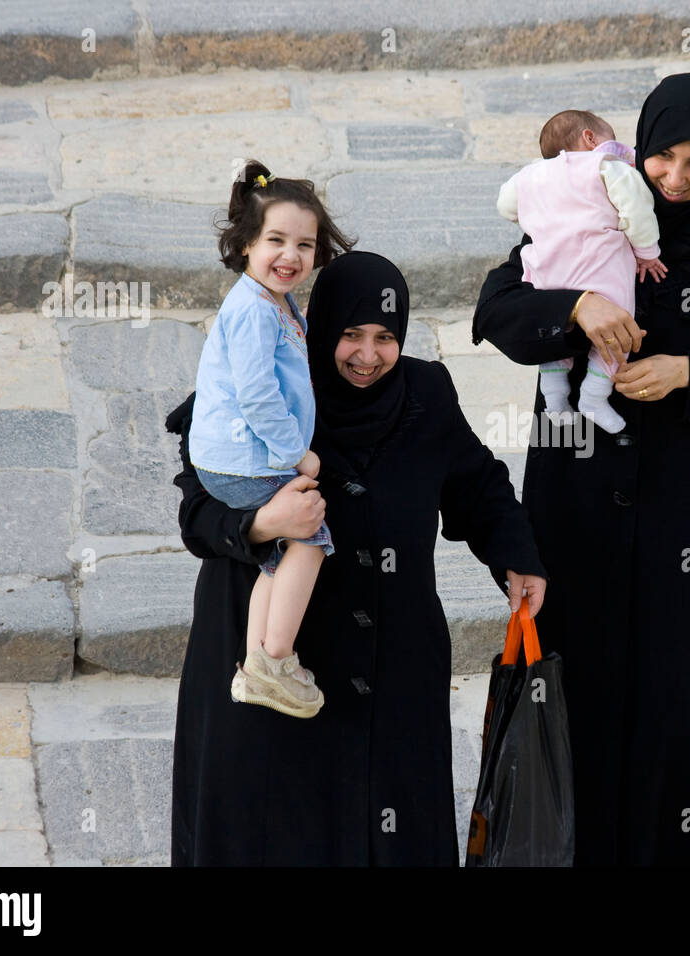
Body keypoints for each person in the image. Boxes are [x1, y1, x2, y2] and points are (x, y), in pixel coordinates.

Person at [472, 72, 690, 865]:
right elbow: (496, 312)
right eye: (663, 158)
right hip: (578, 502)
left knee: (680, 695)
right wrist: (574, 309)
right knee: (578, 688)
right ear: (640, 148)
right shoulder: (596, 200)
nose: (677, 178)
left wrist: (688, 374)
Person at [167, 250, 548, 865]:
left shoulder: (426, 393)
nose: (367, 356)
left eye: (385, 338)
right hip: (274, 669)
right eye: (349, 335)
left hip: (391, 668)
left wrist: (516, 556)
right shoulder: (250, 386)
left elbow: (476, 483)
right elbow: (197, 515)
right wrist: (265, 522)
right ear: (319, 328)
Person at [189, 160, 345, 718]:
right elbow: (257, 396)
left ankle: (255, 664)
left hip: (237, 455)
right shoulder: (253, 310)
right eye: (275, 240)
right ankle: (277, 658)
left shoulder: (274, 300)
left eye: (304, 245)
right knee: (308, 536)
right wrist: (296, 456)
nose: (291, 255)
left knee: (274, 558)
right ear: (247, 243)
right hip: (245, 458)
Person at [496, 109, 666, 434]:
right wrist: (647, 253)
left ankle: (555, 399)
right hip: (601, 271)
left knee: (555, 333)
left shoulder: (529, 175)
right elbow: (636, 208)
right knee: (619, 330)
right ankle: (593, 396)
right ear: (591, 139)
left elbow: (505, 206)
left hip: (547, 275)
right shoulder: (605, 166)